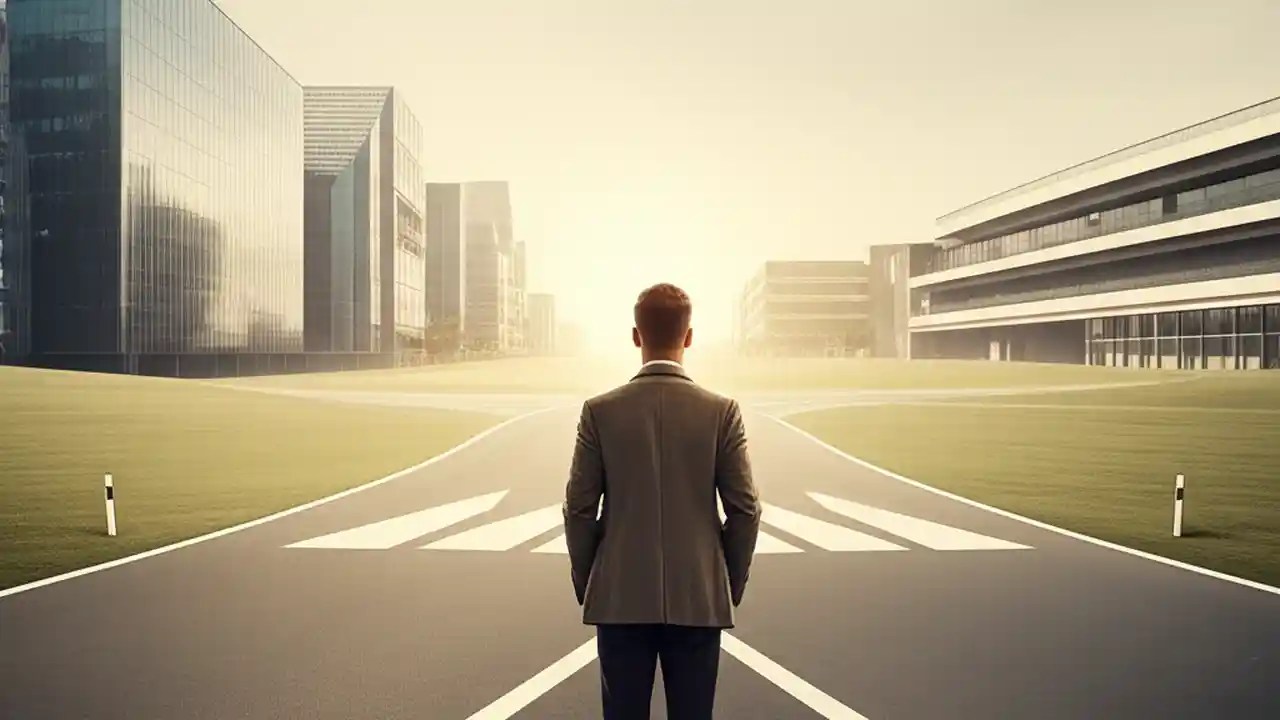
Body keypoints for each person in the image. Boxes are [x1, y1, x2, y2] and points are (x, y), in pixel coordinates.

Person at [562, 283, 761, 719]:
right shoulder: (722, 411)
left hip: (620, 599)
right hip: (698, 599)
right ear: (689, 336)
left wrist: (589, 579)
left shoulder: (599, 411)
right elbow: (745, 510)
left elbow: (578, 509)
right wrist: (727, 580)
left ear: (636, 335)